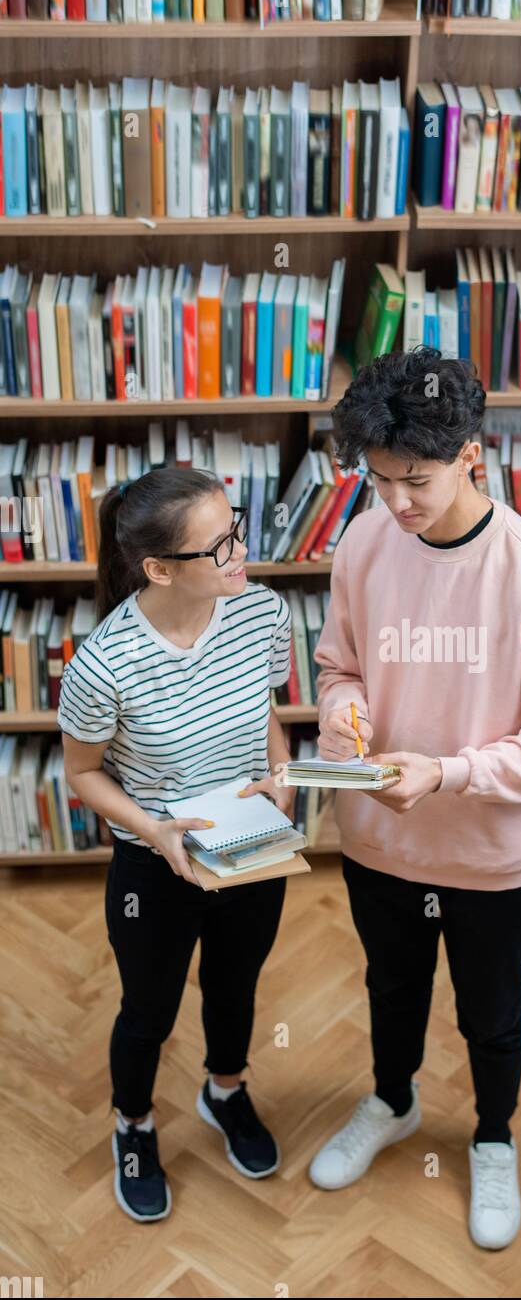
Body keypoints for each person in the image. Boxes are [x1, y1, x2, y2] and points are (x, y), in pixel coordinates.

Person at [309, 347, 521, 1249]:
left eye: (417, 482)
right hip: (378, 844)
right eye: (377, 479)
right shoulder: (362, 542)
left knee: (492, 1014)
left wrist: (447, 772)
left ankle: (494, 1137)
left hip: (488, 858)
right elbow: (338, 667)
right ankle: (393, 1101)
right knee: (390, 991)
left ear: (472, 452)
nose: (395, 503)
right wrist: (346, 718)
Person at [58, 469, 295, 1223]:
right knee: (148, 1010)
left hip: (249, 841)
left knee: (236, 985)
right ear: (158, 569)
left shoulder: (263, 613)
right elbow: (82, 773)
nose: (241, 551)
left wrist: (281, 774)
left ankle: (225, 1089)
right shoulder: (104, 662)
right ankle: (134, 1124)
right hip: (153, 864)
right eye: (218, 545)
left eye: (239, 527)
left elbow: (265, 710)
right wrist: (154, 830)